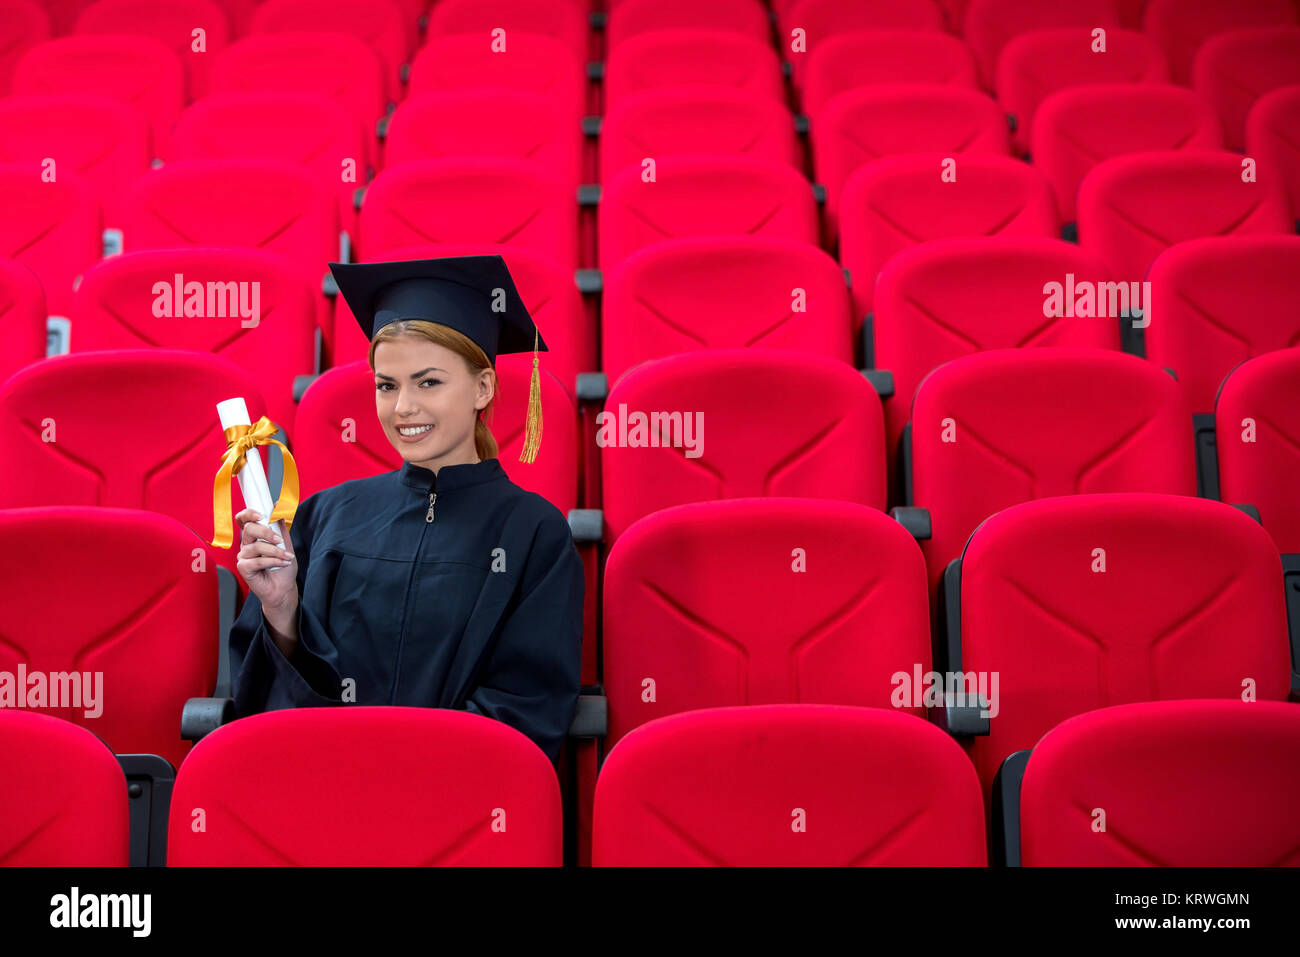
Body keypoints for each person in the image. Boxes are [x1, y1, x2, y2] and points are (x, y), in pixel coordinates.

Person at [226, 255, 583, 763]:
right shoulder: (325, 517)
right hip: (322, 788)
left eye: (428, 382)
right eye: (386, 385)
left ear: (483, 388)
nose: (403, 408)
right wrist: (281, 609)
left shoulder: (533, 534)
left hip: (458, 804)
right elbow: (272, 706)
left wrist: (401, 773)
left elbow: (527, 707)